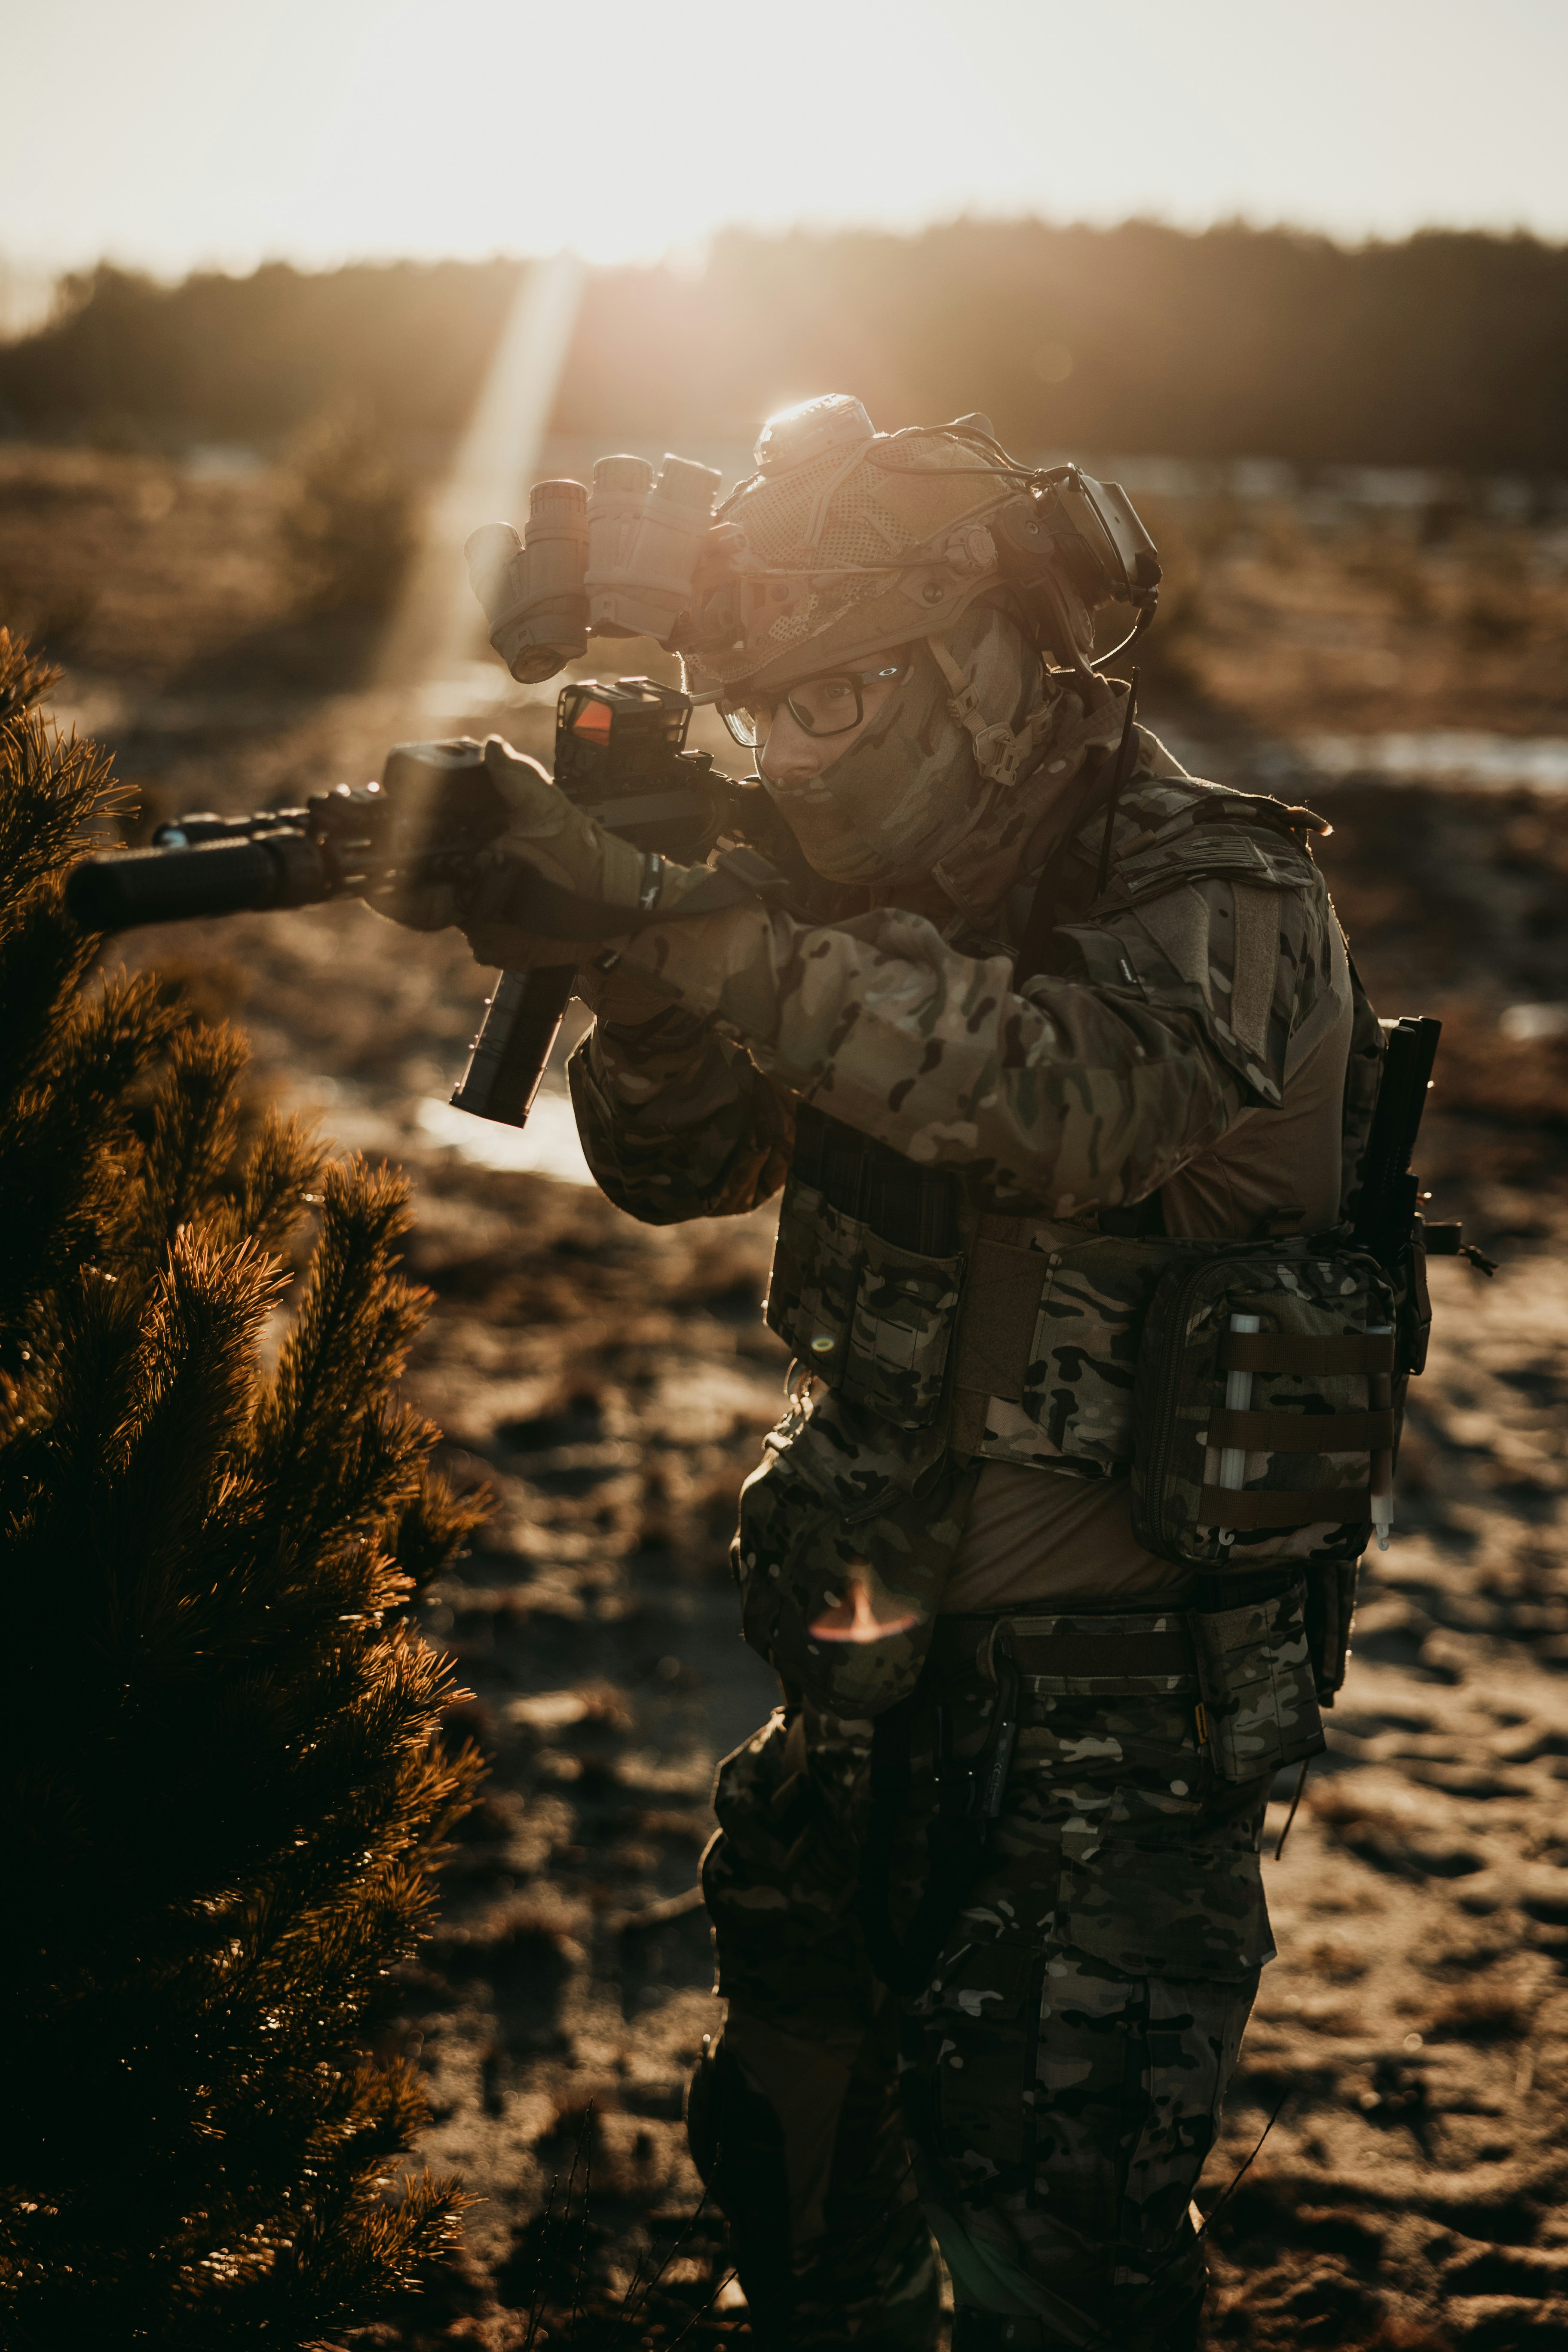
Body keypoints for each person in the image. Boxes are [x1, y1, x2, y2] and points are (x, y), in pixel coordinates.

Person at [392, 397, 1381, 2351]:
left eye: (838, 705)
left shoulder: (1219, 889)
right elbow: (683, 1169)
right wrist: (642, 957)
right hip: (852, 1675)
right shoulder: (838, 886)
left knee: (1060, 2285)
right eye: (768, 716)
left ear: (985, 658)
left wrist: (693, 922)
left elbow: (1066, 1104)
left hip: (1113, 1733)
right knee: (801, 2205)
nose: (796, 762)